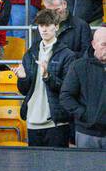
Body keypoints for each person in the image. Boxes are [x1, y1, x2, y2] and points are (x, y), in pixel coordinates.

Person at [17, 10, 75, 148]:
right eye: (41, 25)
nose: (44, 29)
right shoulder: (30, 53)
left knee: (56, 168)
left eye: (48, 25)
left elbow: (67, 89)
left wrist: (47, 76)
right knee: (35, 167)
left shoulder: (67, 55)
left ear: (56, 26)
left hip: (57, 121)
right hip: (32, 119)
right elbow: (24, 90)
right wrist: (23, 78)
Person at [59, 26, 106, 148]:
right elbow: (66, 96)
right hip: (87, 133)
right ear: (94, 44)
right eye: (104, 44)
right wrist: (85, 115)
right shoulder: (78, 66)